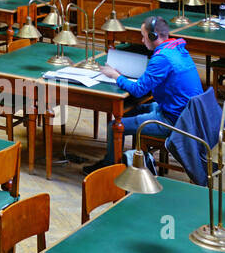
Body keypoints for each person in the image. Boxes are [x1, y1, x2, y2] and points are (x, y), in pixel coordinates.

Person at [83, 15, 203, 174]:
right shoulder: (177, 49)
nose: (141, 40)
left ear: (153, 36)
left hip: (174, 121)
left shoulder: (162, 58)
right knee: (129, 111)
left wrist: (115, 75)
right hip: (186, 114)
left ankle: (109, 168)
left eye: (144, 36)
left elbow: (139, 90)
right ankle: (130, 158)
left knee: (114, 127)